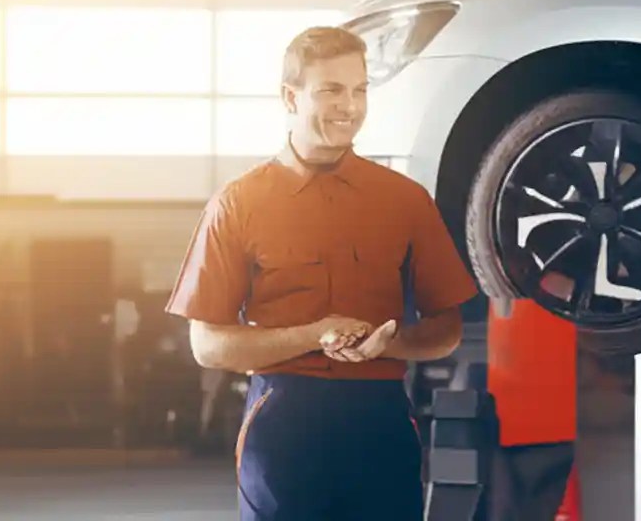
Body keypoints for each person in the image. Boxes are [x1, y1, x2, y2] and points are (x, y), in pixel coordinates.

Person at [165, 26, 478, 521]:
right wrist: (312, 334)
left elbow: (447, 330)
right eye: (331, 90)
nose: (349, 107)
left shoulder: (404, 200)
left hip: (381, 421)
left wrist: (387, 344)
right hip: (283, 421)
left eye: (359, 90)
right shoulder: (238, 204)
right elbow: (207, 345)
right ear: (290, 96)